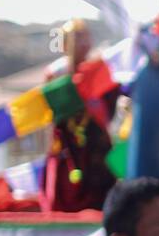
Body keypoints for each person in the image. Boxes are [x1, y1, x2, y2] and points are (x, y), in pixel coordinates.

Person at [41, 19, 119, 213]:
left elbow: (111, 100)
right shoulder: (56, 73)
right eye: (76, 37)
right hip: (68, 147)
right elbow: (52, 111)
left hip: (96, 147)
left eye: (85, 36)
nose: (82, 42)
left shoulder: (98, 70)